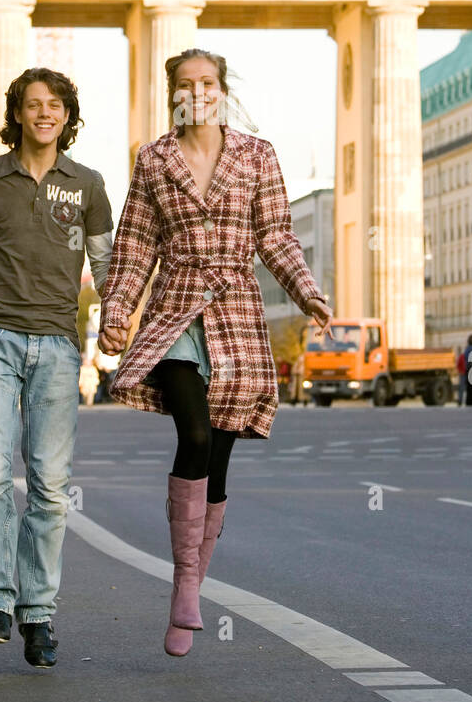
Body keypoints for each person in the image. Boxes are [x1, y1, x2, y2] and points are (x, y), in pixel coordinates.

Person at [97, 48, 332, 658]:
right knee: (195, 437)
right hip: (175, 311)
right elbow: (135, 245)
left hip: (236, 318)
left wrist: (308, 295)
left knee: (220, 459)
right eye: (184, 83)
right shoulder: (153, 160)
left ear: (222, 90)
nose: (196, 91)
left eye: (206, 82)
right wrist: (117, 312)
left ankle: (194, 581)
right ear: (172, 92)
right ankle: (182, 584)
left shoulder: (257, 155)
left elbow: (276, 235)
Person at [0, 68, 114, 668]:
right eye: (33, 105)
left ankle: (38, 615)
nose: (44, 113)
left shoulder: (88, 184)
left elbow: (109, 269)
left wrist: (119, 331)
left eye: (55, 105)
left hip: (58, 345)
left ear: (67, 115)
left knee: (51, 490)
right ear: (18, 114)